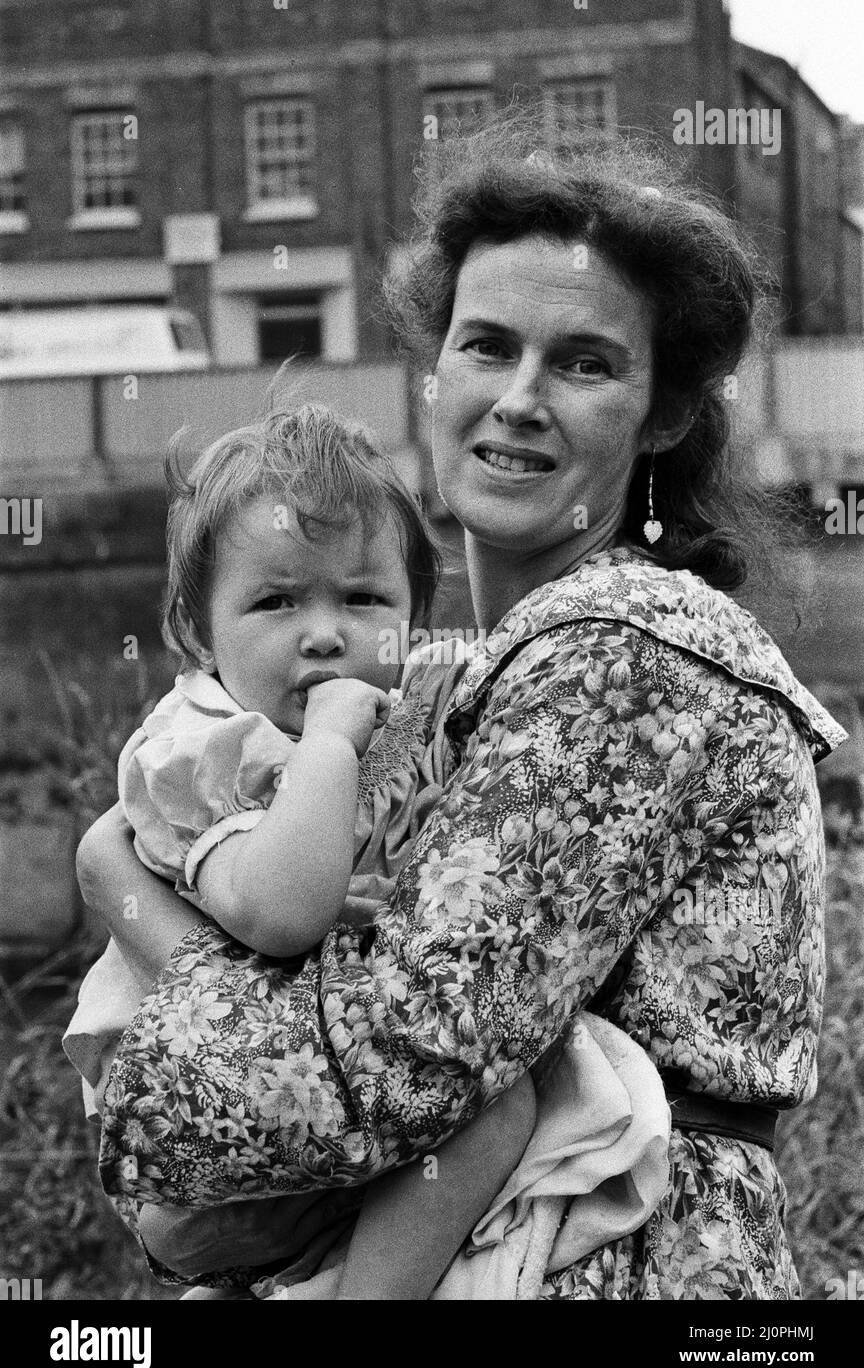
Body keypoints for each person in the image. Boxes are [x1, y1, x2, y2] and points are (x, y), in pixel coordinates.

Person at [77, 111, 847, 1299]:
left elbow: (407, 1050)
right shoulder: (466, 672)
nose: (520, 397)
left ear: (668, 415)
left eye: (584, 363)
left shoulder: (628, 655)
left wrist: (119, 887)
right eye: (486, 346)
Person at [66, 403, 537, 1299]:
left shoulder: (414, 716)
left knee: (498, 1097)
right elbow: (281, 915)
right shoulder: (205, 746)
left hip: (331, 1080)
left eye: (363, 600)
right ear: (197, 632)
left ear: (414, 615)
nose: (324, 633)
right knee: (491, 1109)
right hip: (210, 1084)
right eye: (276, 601)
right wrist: (326, 742)